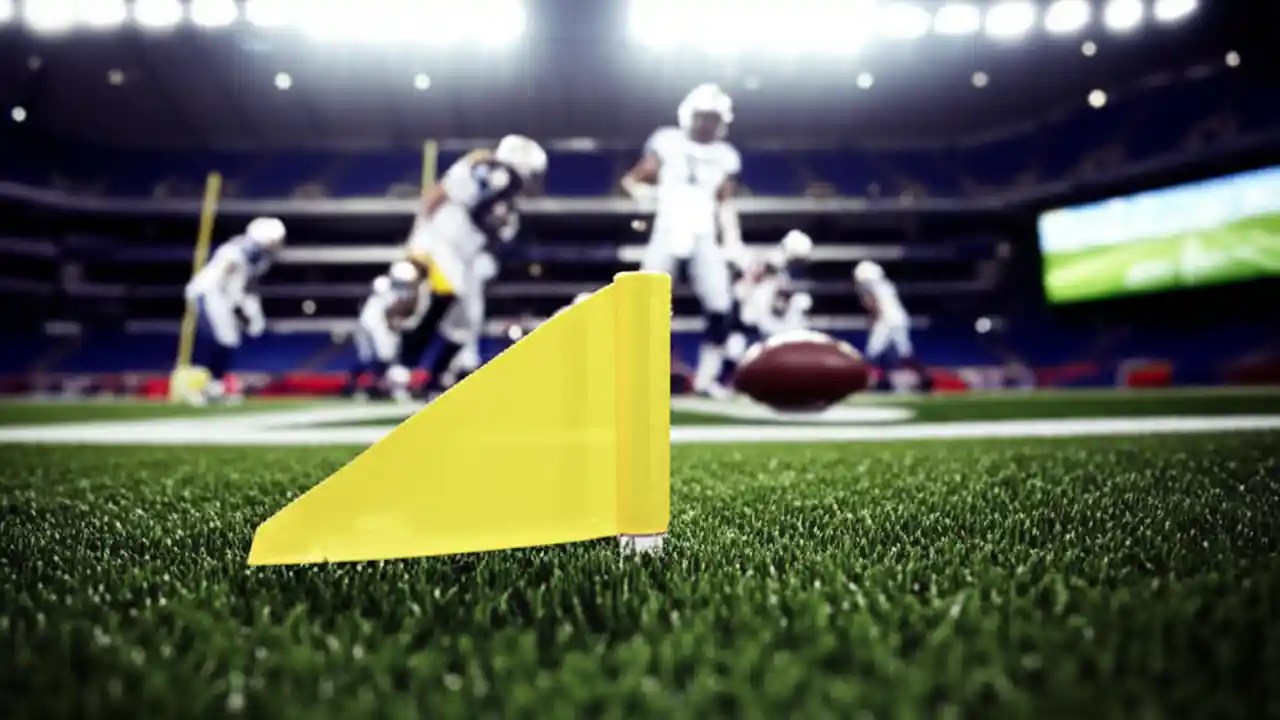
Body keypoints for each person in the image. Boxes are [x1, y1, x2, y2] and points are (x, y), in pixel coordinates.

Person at [621, 83, 745, 399]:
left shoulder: (725, 155)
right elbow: (633, 180)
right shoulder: (666, 142)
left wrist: (733, 241)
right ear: (689, 115)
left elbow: (725, 203)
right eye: (702, 116)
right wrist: (645, 199)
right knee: (647, 304)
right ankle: (643, 375)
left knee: (721, 305)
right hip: (668, 227)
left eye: (713, 118)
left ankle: (707, 377)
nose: (706, 124)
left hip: (704, 233)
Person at [400, 135, 547, 386]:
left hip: (467, 256)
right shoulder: (481, 169)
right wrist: (420, 232)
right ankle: (403, 363)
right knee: (438, 296)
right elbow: (441, 192)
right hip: (443, 242)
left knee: (468, 319)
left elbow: (497, 236)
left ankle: (441, 373)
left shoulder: (508, 206)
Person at [182, 216, 286, 404]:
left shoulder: (259, 257)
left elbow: (247, 285)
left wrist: (252, 310)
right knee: (220, 339)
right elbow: (224, 280)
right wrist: (242, 306)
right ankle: (198, 386)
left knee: (229, 340)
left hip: (223, 298)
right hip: (209, 293)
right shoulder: (236, 250)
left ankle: (214, 386)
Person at [344, 260, 421, 401]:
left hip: (383, 323)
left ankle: (378, 385)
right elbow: (389, 311)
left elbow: (405, 309)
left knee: (378, 357)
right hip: (373, 323)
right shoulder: (383, 285)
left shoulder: (410, 289)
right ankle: (372, 385)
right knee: (376, 356)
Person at [853, 260, 932, 392]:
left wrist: (873, 321)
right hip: (899, 319)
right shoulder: (886, 284)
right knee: (904, 352)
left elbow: (873, 304)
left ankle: (864, 381)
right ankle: (924, 379)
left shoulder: (869, 284)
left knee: (872, 353)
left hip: (886, 320)